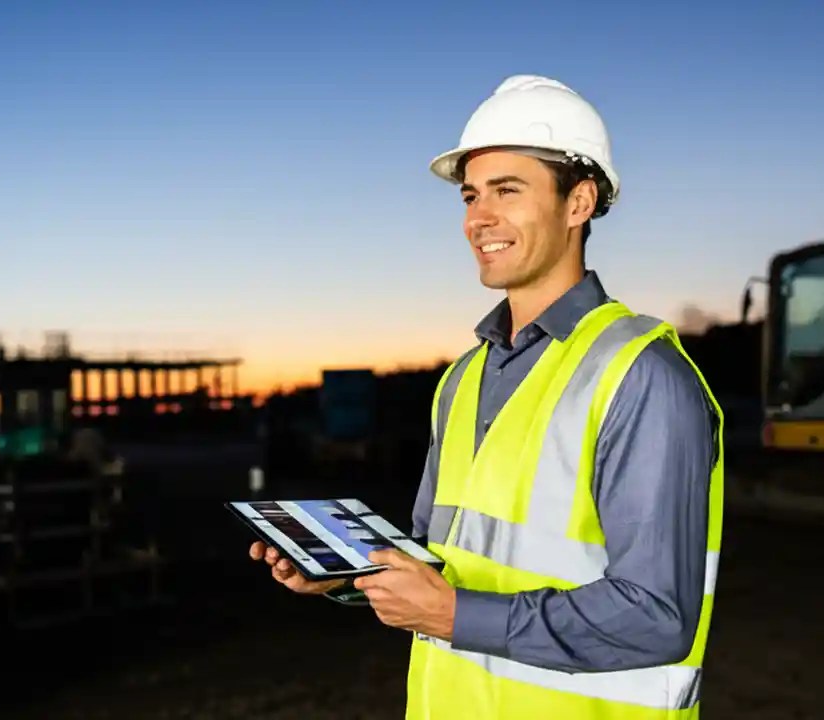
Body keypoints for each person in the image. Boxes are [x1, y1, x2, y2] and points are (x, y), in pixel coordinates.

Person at [249, 74, 723, 719]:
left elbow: (657, 617)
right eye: (471, 195)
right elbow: (446, 562)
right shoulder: (464, 377)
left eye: (508, 190)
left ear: (578, 202)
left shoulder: (641, 376)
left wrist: (453, 614)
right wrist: (353, 577)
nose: (479, 218)